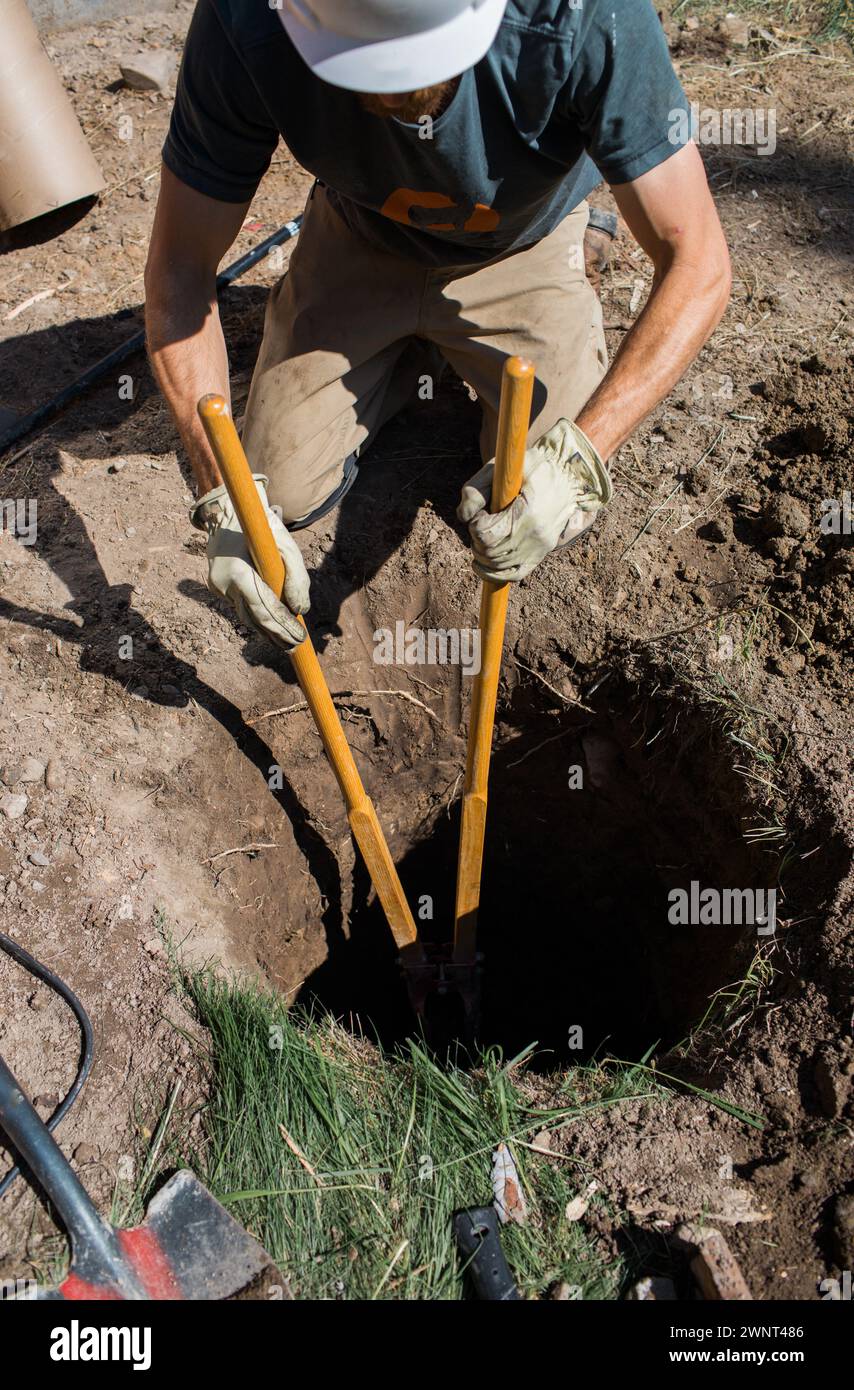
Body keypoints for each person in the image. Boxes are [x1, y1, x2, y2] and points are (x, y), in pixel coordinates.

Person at [144, 0, 731, 650]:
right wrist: (222, 496)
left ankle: (574, 239)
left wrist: (579, 459)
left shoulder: (584, 15)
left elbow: (698, 259)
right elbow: (179, 264)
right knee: (274, 495)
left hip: (523, 241)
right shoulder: (248, 17)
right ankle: (408, 352)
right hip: (363, 232)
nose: (396, 93)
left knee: (536, 501)